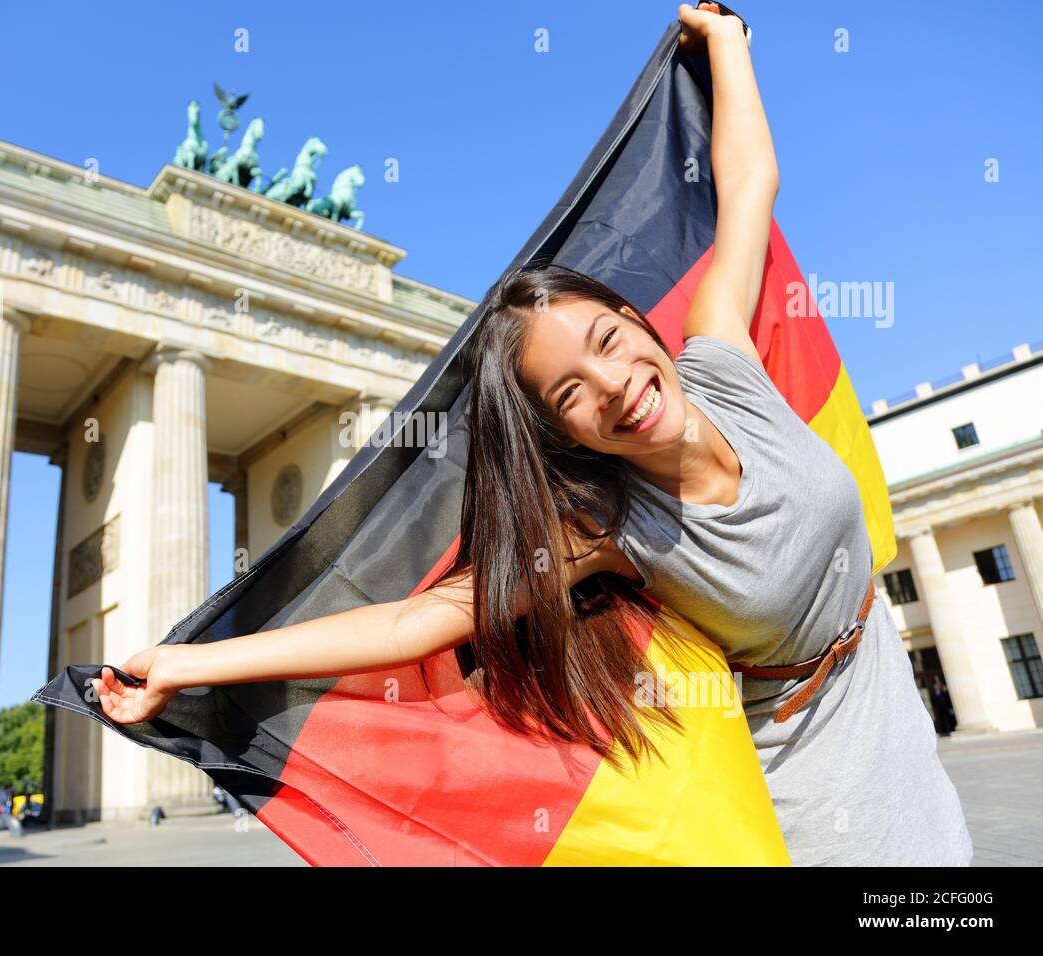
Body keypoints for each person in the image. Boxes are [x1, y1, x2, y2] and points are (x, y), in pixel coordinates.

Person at [90, 3, 973, 866]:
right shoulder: (608, 527)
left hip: (887, 705)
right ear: (563, 431)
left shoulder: (724, 359)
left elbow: (745, 184)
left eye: (608, 340)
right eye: (570, 394)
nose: (616, 387)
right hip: (808, 779)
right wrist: (193, 663)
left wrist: (727, 35)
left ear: (637, 321)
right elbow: (412, 624)